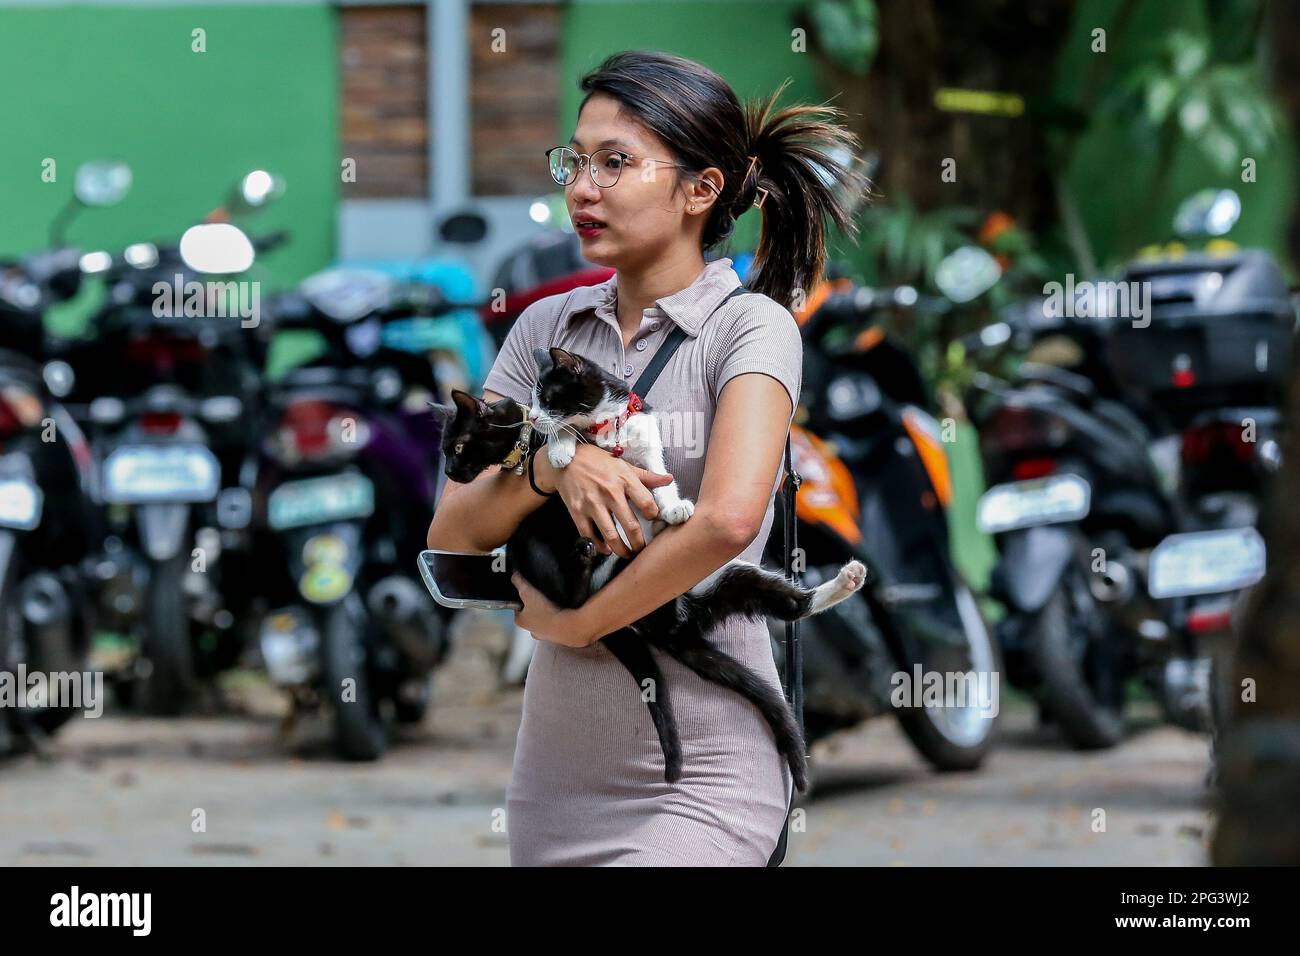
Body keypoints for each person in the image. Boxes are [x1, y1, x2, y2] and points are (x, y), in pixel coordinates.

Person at [426, 50, 865, 866]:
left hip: (705, 770)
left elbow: (730, 519)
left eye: (615, 163)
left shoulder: (751, 329)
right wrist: (552, 465)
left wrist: (582, 622)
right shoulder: (542, 331)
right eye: (576, 160)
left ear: (701, 189)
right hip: (557, 777)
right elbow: (454, 531)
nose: (583, 187)